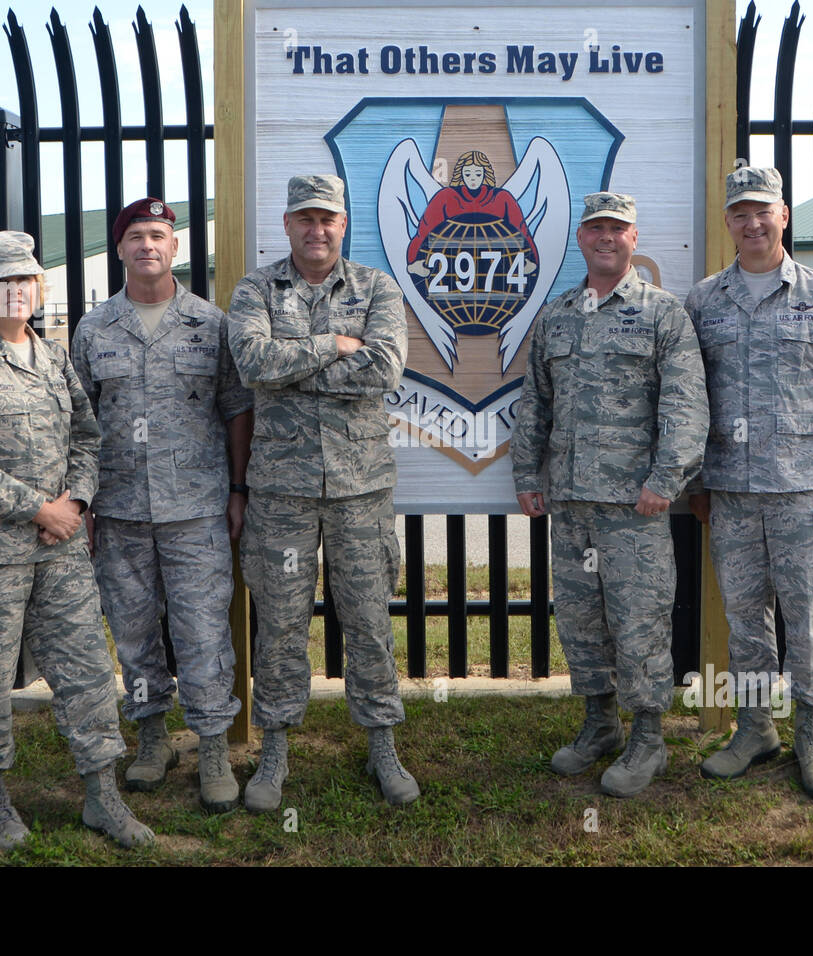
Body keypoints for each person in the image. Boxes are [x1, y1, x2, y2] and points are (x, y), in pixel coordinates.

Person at [0, 230, 153, 849]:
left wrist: (75, 502)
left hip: (59, 550)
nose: (15, 293)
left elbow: (89, 436)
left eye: (25, 280)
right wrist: (39, 510)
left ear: (39, 287)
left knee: (85, 669)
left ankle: (101, 796)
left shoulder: (55, 359)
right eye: (2, 283)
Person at [684, 166, 813, 799]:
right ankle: (754, 728)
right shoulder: (706, 300)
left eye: (763, 210)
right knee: (745, 624)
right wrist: (697, 481)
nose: (752, 222)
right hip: (732, 495)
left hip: (803, 491)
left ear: (784, 216)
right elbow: (690, 400)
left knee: (809, 616)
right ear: (728, 224)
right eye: (740, 212)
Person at [227, 173, 416, 811]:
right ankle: (275, 746)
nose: (317, 229)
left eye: (327, 218)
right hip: (281, 493)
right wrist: (334, 345)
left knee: (367, 617)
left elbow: (386, 368)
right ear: (286, 225)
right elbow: (252, 363)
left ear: (343, 224)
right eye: (305, 218)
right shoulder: (256, 288)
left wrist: (294, 363)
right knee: (280, 622)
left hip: (360, 490)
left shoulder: (377, 287)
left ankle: (382, 741)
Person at [510, 192, 708, 797]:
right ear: (580, 237)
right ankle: (599, 723)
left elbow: (686, 404)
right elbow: (534, 402)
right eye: (596, 228)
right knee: (581, 619)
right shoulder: (559, 315)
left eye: (617, 228)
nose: (606, 237)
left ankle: (648, 739)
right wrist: (527, 475)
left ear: (633, 237)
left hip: (635, 507)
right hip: (570, 504)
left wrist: (664, 481)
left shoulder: (662, 314)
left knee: (640, 620)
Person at [71, 198, 254, 812]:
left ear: (175, 247)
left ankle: (211, 748)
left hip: (197, 509)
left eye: (158, 235)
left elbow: (235, 409)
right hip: (119, 510)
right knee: (133, 633)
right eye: (135, 237)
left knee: (203, 632)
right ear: (119, 248)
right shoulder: (94, 330)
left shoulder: (212, 324)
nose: (147, 245)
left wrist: (236, 489)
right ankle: (152, 738)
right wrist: (85, 501)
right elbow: (80, 424)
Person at [406, 149, 538, 272]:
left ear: (485, 174)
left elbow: (522, 231)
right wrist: (413, 261)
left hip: (497, 269)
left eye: (478, 173)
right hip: (451, 269)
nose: (473, 178)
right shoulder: (445, 197)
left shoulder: (502, 198)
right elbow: (424, 232)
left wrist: (532, 260)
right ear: (461, 174)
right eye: (468, 173)